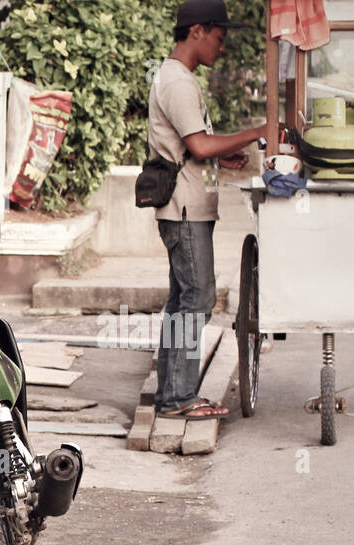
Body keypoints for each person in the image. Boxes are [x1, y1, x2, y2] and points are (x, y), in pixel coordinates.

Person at [148, 0, 260, 420]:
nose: (222, 47)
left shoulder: (179, 77)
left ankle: (172, 395)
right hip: (184, 210)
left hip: (186, 206)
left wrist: (220, 157)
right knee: (196, 298)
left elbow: (193, 148)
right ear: (197, 31)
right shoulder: (177, 81)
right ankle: (177, 398)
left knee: (184, 300)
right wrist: (256, 132)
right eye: (219, 37)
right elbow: (198, 144)